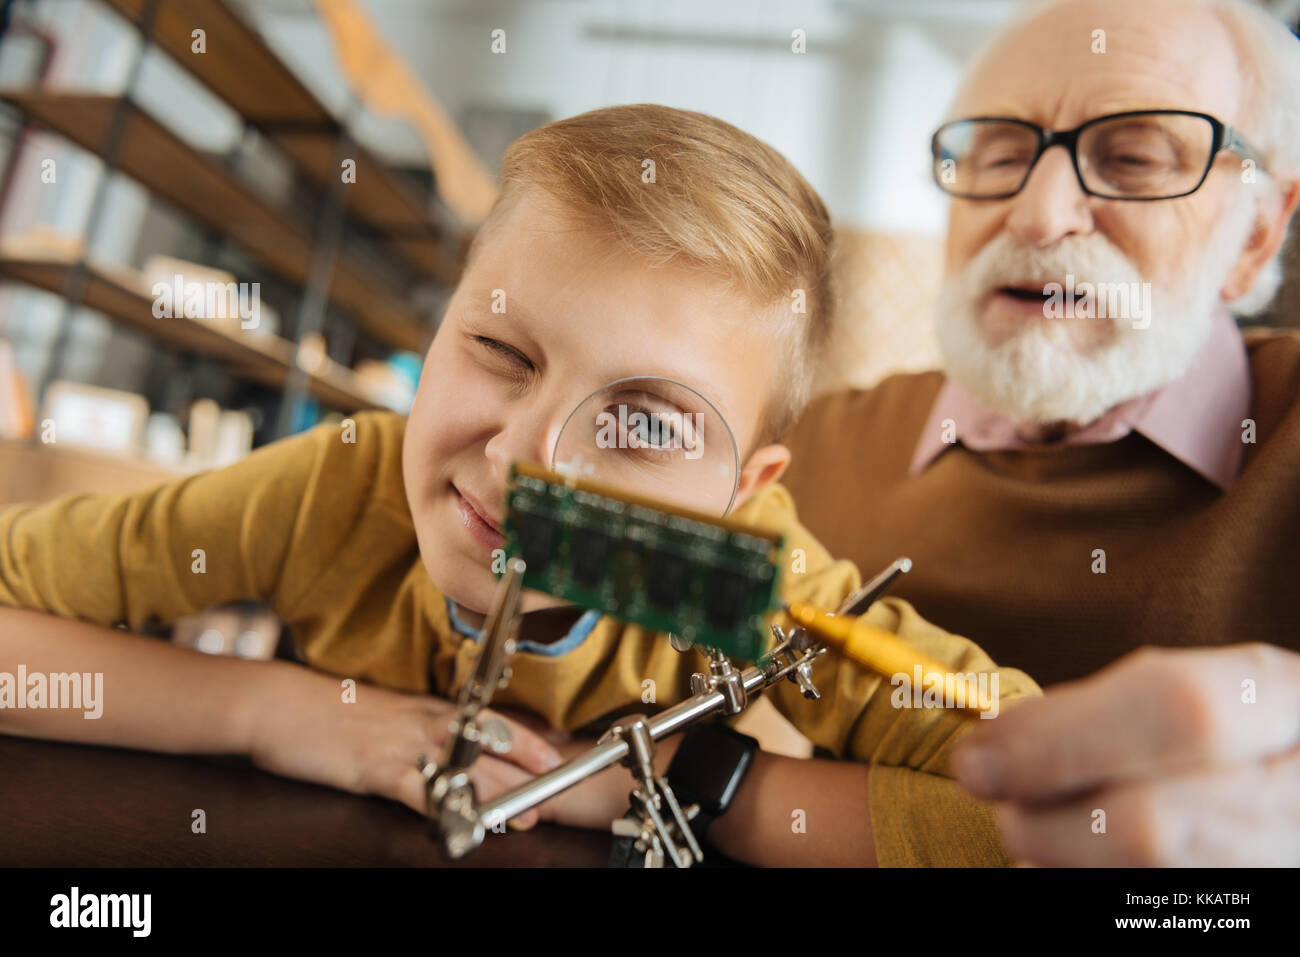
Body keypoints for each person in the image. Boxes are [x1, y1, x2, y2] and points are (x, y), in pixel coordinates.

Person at [0, 105, 1038, 867]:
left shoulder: (748, 589)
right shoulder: (335, 490)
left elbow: (1065, 817)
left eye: (641, 422)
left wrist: (672, 785)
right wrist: (277, 713)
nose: (522, 460)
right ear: (438, 327)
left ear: (738, 493)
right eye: (500, 349)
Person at [779, 0, 1300, 865]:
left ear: (1257, 233)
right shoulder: (814, 448)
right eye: (1001, 153)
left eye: (1133, 157)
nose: (1037, 212)